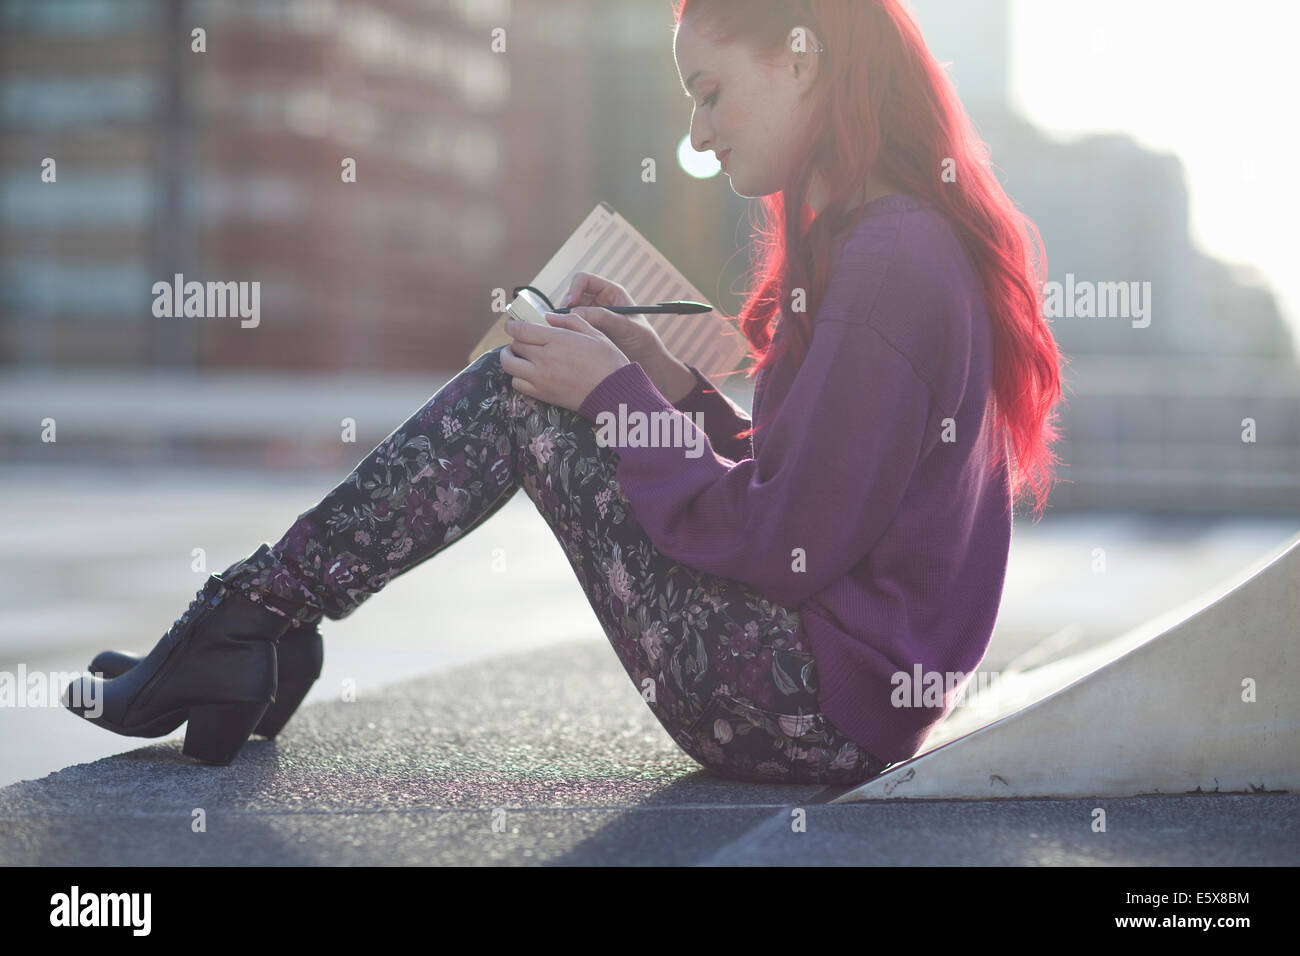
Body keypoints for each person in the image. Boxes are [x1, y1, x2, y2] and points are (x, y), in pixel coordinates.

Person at [65, 0, 1064, 782]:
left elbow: (783, 541)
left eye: (711, 92)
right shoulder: (893, 238)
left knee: (524, 387)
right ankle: (255, 632)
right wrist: (661, 379)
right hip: (832, 694)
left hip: (804, 703)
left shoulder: (888, 258)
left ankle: (245, 626)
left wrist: (616, 395)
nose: (698, 133)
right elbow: (819, 495)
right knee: (550, 370)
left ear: (800, 59)